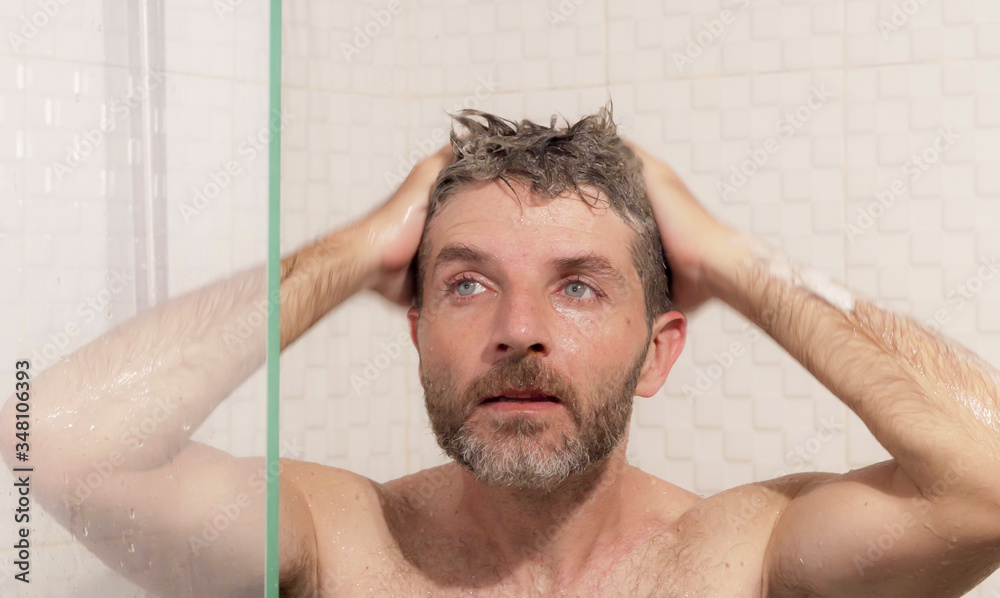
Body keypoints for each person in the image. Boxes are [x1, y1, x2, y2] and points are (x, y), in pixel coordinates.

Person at [3, 105, 1000, 598]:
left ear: (657, 355)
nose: (517, 329)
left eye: (577, 284)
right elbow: (46, 438)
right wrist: (351, 250)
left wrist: (736, 258)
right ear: (418, 337)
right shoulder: (341, 543)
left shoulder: (735, 560)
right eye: (467, 283)